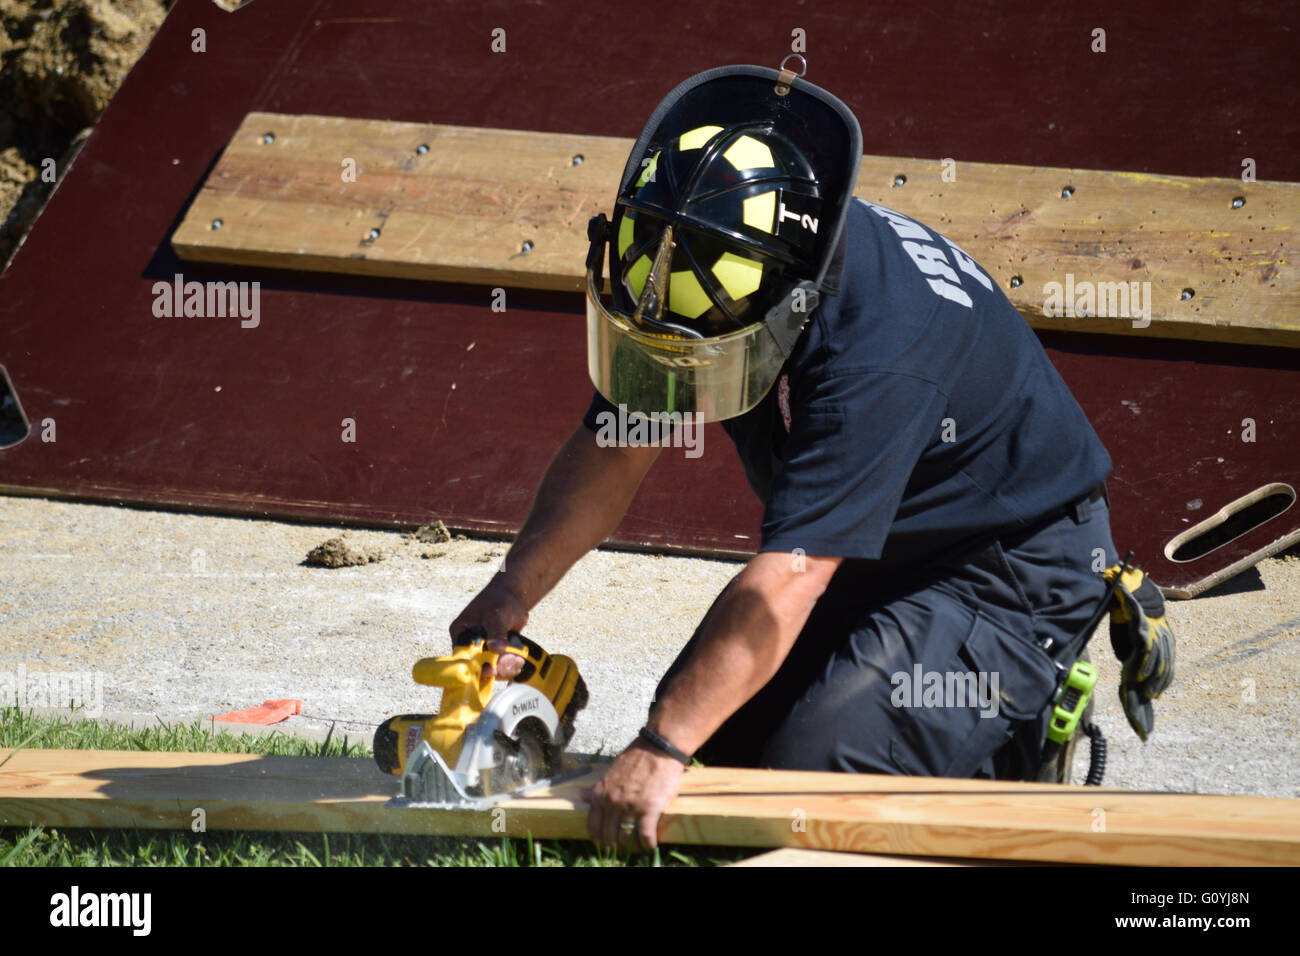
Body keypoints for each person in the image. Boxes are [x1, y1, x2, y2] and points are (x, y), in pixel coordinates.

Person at [450, 60, 1120, 851]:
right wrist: (511, 592)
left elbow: (791, 576)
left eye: (706, 356)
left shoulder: (879, 349)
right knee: (715, 763)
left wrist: (661, 746)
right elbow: (617, 446)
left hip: (1005, 573)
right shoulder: (705, 253)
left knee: (811, 775)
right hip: (875, 553)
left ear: (785, 302)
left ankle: (1021, 740)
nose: (684, 375)